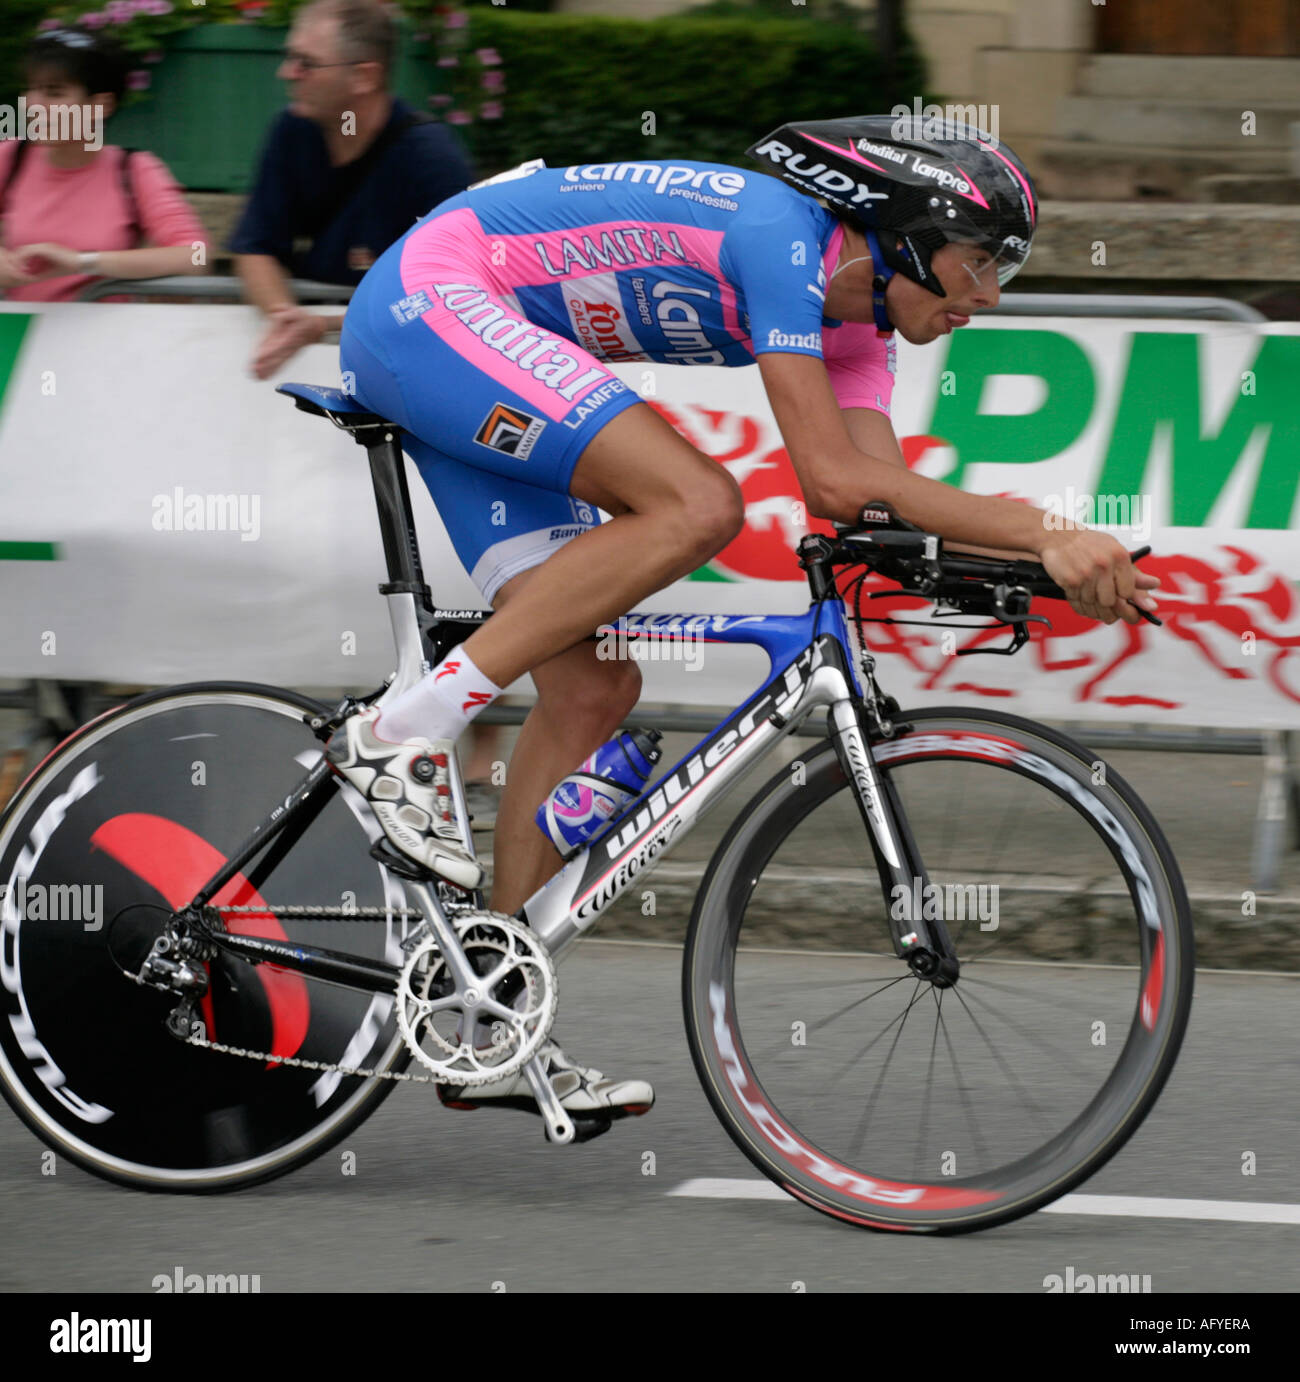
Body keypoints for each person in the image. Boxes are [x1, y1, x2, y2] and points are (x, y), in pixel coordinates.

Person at [325, 116, 1160, 1131]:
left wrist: (1039, 562)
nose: (984, 299)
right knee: (696, 504)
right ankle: (397, 734)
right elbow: (829, 474)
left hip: (481, 346)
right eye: (977, 263)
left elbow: (871, 498)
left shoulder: (860, 331)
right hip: (434, 301)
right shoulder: (780, 233)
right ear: (903, 231)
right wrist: (1042, 529)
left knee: (592, 686)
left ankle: (483, 1011)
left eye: (1001, 273)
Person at [230, 0, 472, 380]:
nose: (286, 73)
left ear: (364, 77)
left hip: (406, 377)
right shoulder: (294, 131)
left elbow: (455, 299)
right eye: (290, 57)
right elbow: (254, 247)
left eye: (306, 63)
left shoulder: (430, 160)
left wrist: (320, 325)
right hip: (315, 360)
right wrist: (283, 315)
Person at [0, 28, 208, 301]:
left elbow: (197, 256)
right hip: (21, 336)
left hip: (107, 337)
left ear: (101, 104)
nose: (33, 105)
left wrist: (83, 261)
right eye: (32, 90)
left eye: (54, 93)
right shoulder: (11, 155)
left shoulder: (135, 169)